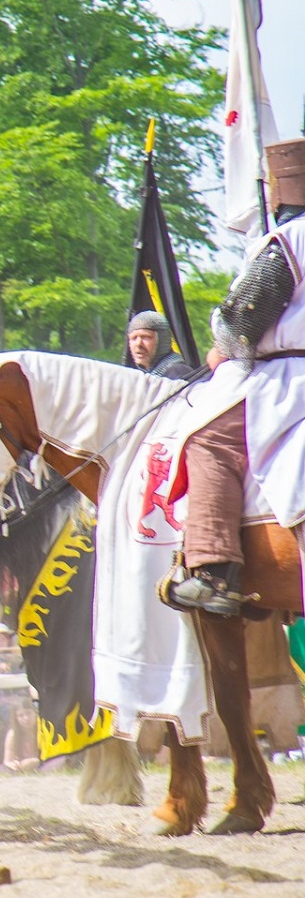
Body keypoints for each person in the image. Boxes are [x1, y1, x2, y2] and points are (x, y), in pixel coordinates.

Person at [165, 140, 305, 615]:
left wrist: (222, 345)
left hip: (288, 375)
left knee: (208, 438)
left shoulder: (290, 240)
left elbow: (243, 318)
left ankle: (212, 567)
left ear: (280, 194)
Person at [127, 309, 195, 379]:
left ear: (162, 339)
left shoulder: (177, 372)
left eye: (146, 337)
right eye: (134, 338)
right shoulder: (147, 375)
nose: (138, 344)